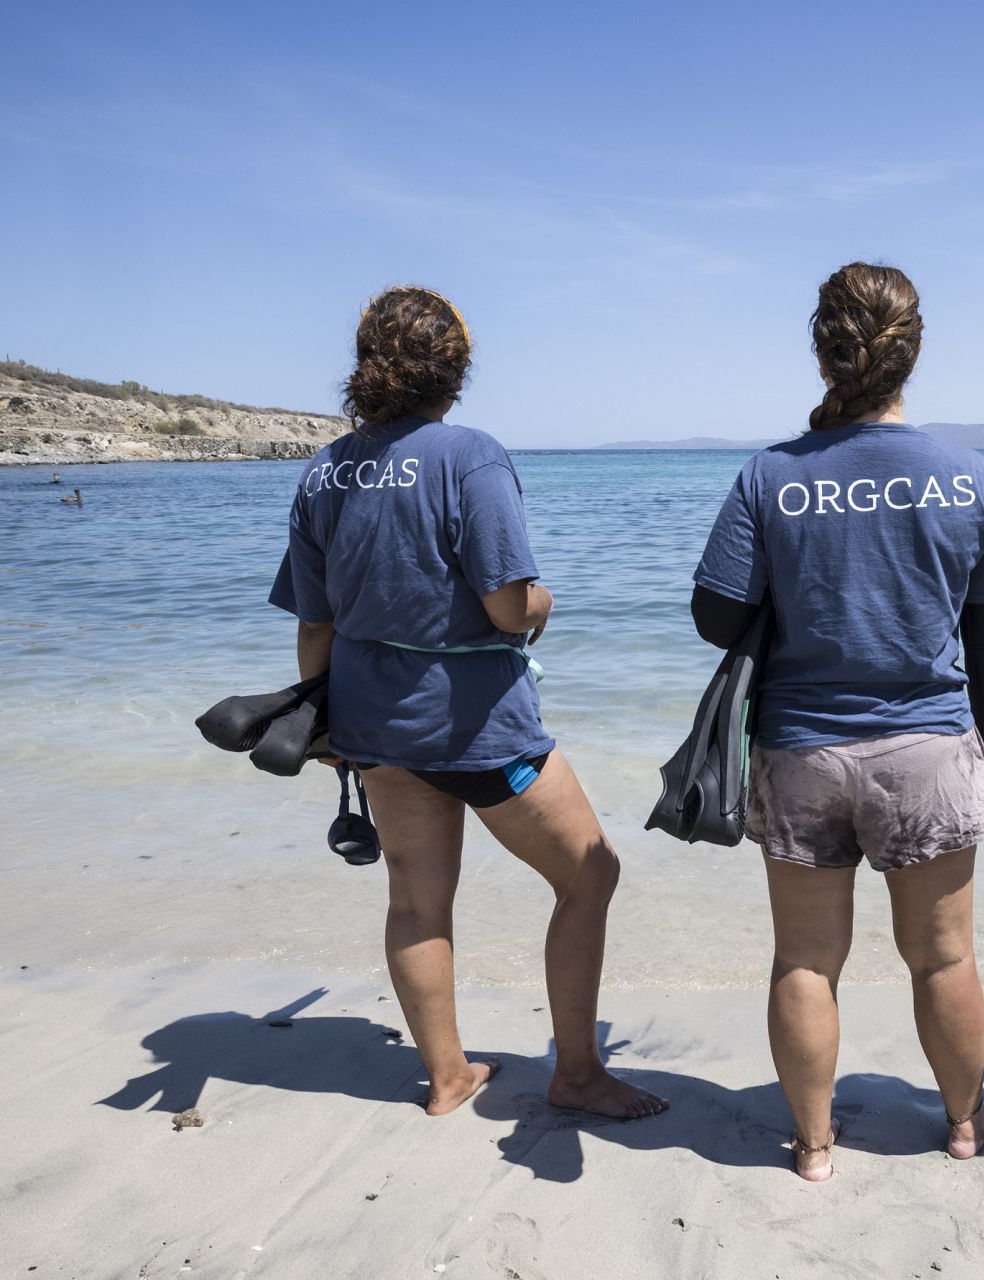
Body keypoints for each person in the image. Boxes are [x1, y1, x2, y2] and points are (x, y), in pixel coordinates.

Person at [269, 285, 668, 1121]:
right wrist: (546, 604)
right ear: (453, 369)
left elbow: (317, 626)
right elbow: (507, 606)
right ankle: (579, 1074)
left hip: (374, 723)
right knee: (591, 875)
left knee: (416, 900)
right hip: (479, 728)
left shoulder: (323, 470)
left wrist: (321, 722)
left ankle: (447, 1078)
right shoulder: (470, 456)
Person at [690, 263, 984, 1180]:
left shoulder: (772, 476)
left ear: (824, 348)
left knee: (805, 960)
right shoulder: (969, 477)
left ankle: (814, 1146)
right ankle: (963, 1124)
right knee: (944, 957)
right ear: (911, 351)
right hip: (927, 742)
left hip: (800, 745)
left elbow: (715, 616)